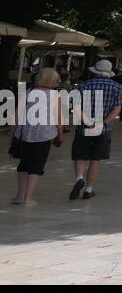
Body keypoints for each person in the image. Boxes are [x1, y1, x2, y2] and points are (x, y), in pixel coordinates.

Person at [68, 59, 122, 201]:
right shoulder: (116, 87)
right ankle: (88, 189)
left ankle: (79, 178)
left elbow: (75, 108)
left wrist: (88, 122)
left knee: (80, 156)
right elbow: (117, 109)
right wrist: (104, 123)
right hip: (103, 130)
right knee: (95, 159)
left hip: (83, 128)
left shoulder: (83, 85)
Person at [12, 68, 65, 205]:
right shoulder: (55, 96)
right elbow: (58, 119)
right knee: (36, 165)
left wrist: (14, 133)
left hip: (24, 134)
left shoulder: (28, 92)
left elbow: (17, 116)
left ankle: (19, 195)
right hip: (43, 135)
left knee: (23, 164)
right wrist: (60, 135)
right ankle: (28, 198)